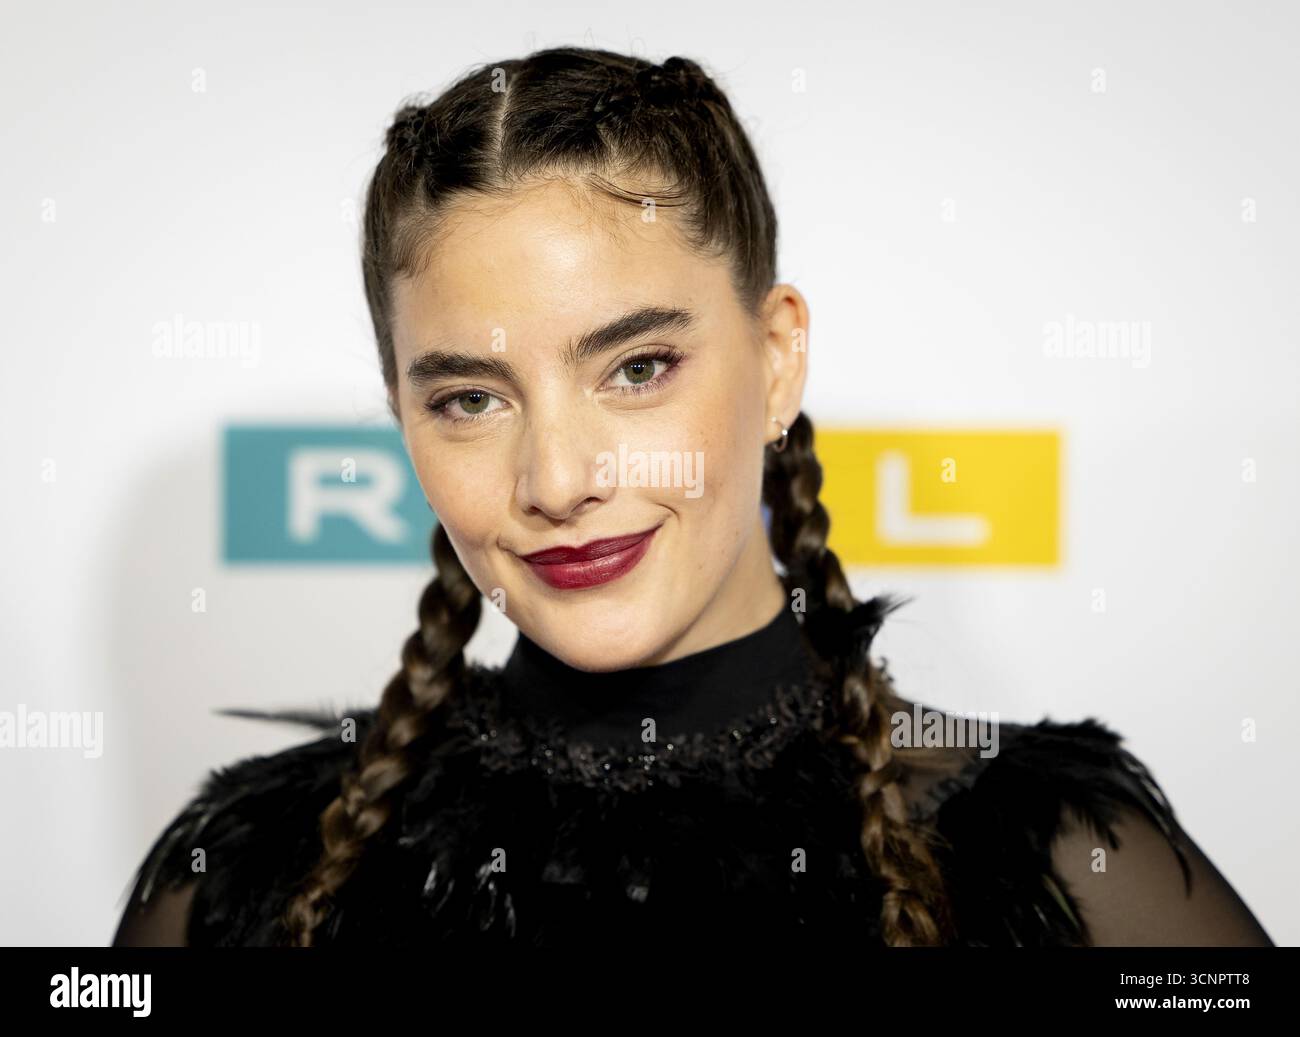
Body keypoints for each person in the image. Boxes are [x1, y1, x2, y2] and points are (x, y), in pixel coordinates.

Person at [112, 47, 1273, 948]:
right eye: (471, 397)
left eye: (636, 369)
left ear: (775, 359)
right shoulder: (249, 888)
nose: (558, 481)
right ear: (403, 413)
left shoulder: (1059, 868)